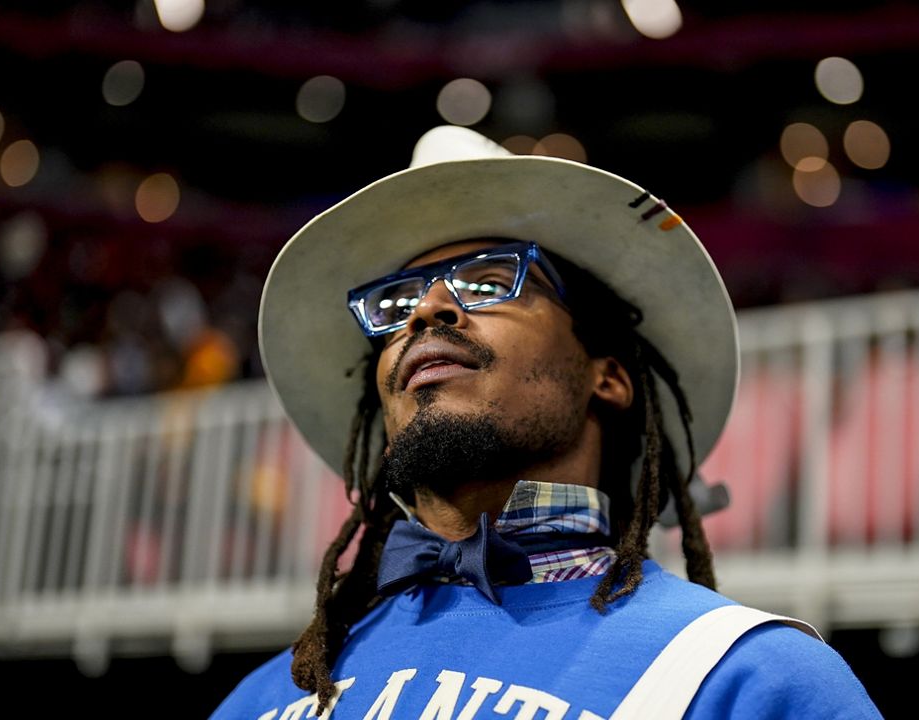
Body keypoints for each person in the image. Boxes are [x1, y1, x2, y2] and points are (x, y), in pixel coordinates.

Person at [212, 126, 881, 719]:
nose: (426, 311)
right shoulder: (266, 698)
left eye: (487, 280)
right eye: (395, 303)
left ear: (608, 377)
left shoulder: (753, 682)